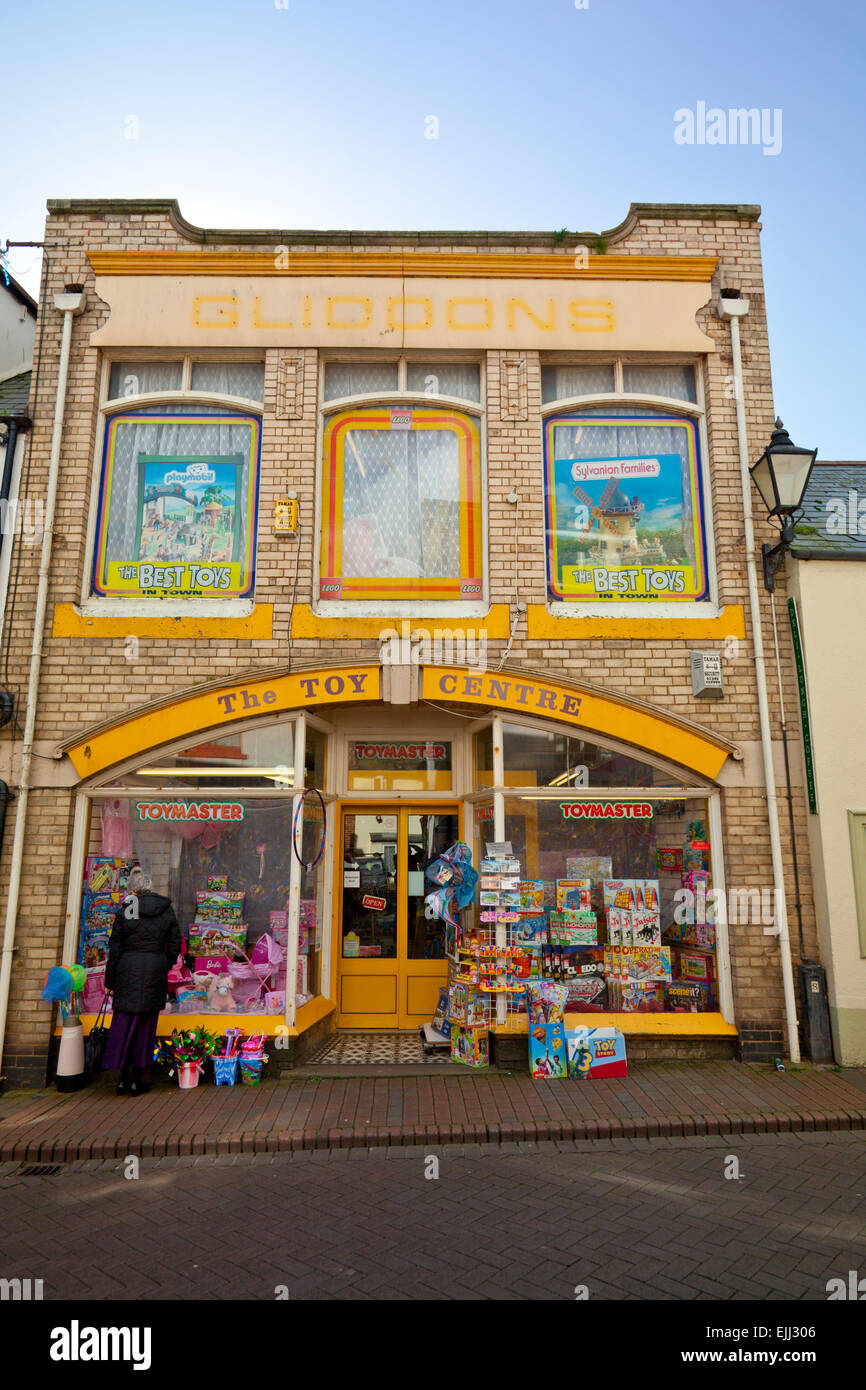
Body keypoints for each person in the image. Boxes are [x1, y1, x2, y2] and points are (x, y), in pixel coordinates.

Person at [103, 869, 181, 1096]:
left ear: (133, 891)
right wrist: (161, 964)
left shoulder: (128, 909)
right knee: (146, 1028)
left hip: (127, 970)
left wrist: (110, 980)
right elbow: (175, 945)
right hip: (154, 970)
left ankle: (122, 1079)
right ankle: (139, 1080)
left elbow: (115, 948)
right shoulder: (165, 910)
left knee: (122, 1025)